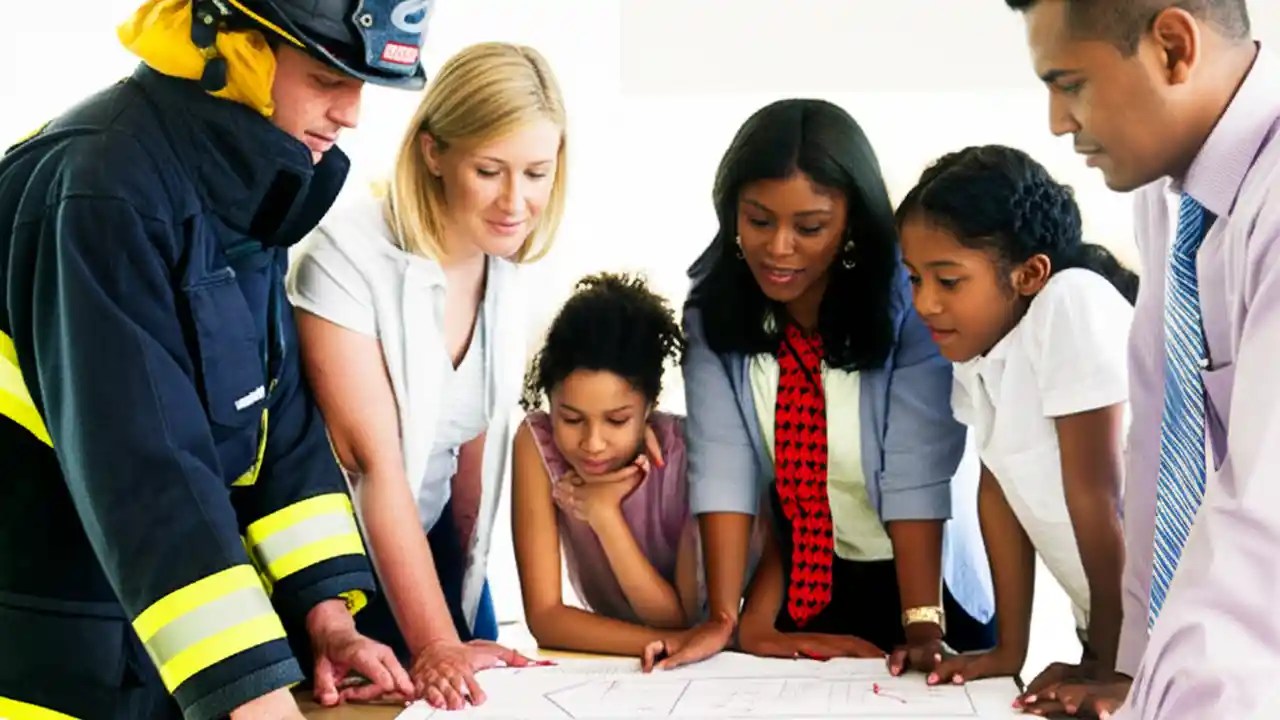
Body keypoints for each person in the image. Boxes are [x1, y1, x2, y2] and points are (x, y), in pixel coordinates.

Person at [0, 0, 432, 718]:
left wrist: (326, 613)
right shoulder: (103, 186)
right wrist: (257, 693)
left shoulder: (243, 181)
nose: (352, 112)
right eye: (327, 76)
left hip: (156, 649)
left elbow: (275, 417)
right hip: (53, 658)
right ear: (231, 43)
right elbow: (146, 468)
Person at [644, 98, 996, 674]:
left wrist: (923, 625)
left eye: (809, 227)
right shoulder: (713, 310)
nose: (779, 248)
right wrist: (723, 617)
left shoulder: (909, 304)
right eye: (758, 220)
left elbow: (914, 471)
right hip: (806, 582)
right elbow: (725, 464)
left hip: (925, 584)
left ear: (851, 223)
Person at [1004, 0, 1277, 717]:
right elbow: (1164, 444)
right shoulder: (1168, 193)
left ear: (1172, 47)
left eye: (1070, 84)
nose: (1057, 122)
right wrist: (1134, 670)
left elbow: (1263, 514)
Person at [286, 41, 567, 711]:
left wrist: (464, 622)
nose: (515, 201)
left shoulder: (504, 267)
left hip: (433, 553)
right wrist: (438, 642)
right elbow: (370, 467)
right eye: (490, 170)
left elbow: (473, 460)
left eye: (536, 173)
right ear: (433, 152)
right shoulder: (344, 258)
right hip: (337, 582)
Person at [896, 145, 1133, 697]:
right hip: (1120, 633)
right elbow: (998, 493)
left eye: (948, 281)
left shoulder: (1069, 305)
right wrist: (1010, 650)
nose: (925, 303)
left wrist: (1110, 662)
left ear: (1029, 274)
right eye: (913, 279)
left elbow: (1100, 498)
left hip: (1182, 631)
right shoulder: (978, 354)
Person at [512, 272, 702, 656]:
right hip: (632, 658)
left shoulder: (688, 456)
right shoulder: (538, 446)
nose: (592, 444)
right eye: (571, 418)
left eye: (617, 421)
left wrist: (604, 515)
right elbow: (546, 618)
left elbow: (677, 618)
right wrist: (671, 644)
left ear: (649, 407)